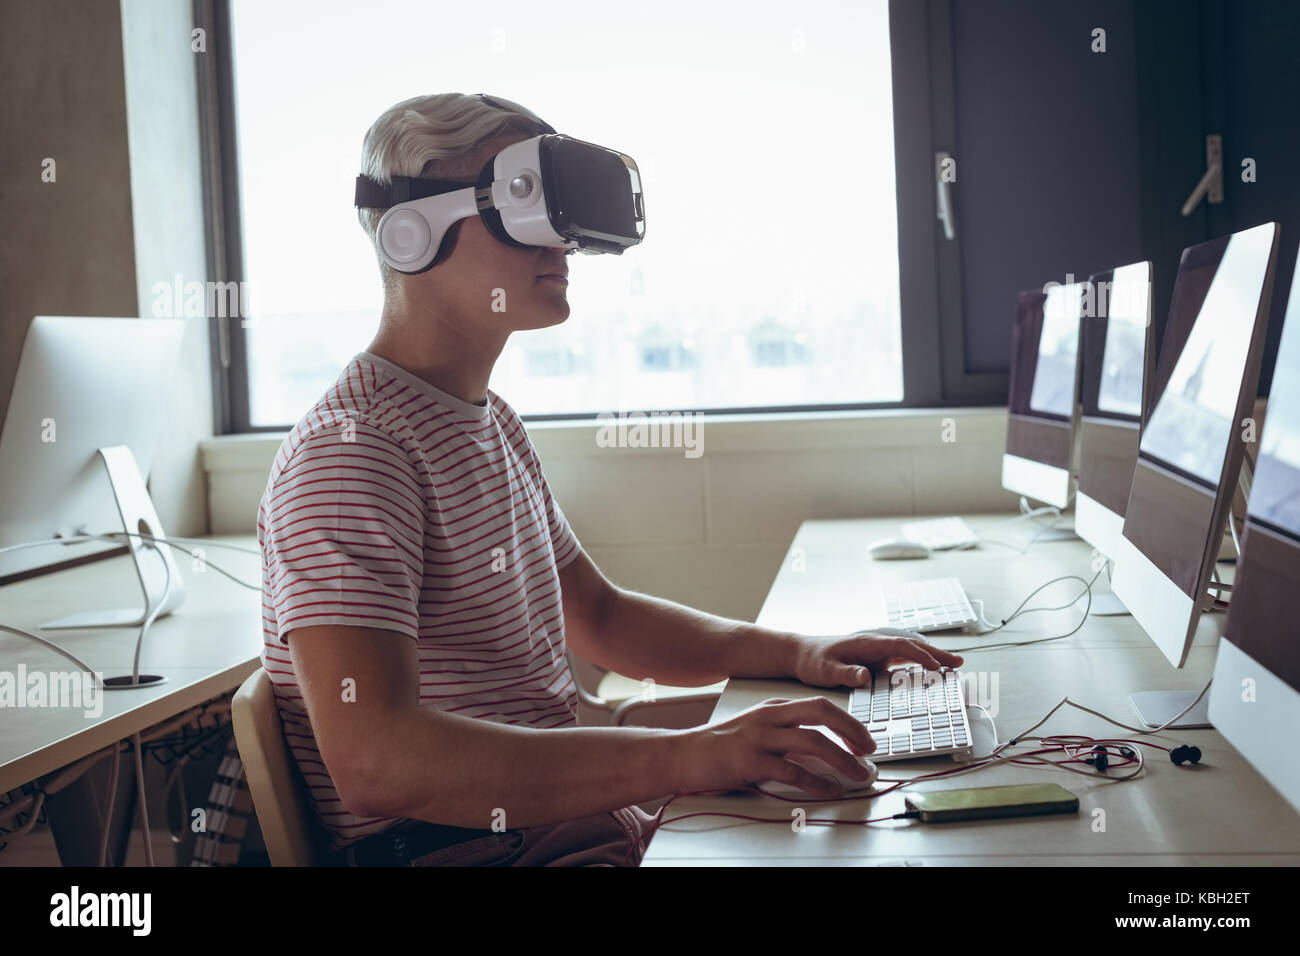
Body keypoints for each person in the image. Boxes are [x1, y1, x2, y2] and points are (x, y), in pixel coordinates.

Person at [257, 92, 962, 866]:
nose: (557, 244)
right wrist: (692, 756)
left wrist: (796, 654)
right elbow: (377, 763)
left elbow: (599, 614)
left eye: (559, 219)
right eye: (520, 208)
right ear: (411, 231)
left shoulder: (485, 420)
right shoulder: (353, 454)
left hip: (573, 825)